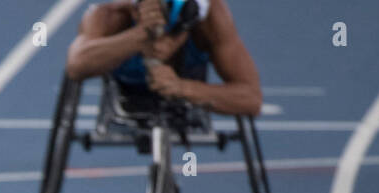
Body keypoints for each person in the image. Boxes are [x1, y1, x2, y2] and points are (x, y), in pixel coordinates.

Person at [66, 0, 261, 118]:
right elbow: (76, 65)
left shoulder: (210, 20)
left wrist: (182, 88)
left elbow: (251, 98)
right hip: (128, 94)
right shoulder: (110, 16)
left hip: (187, 92)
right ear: (137, 12)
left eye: (176, 29)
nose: (165, 39)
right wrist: (142, 35)